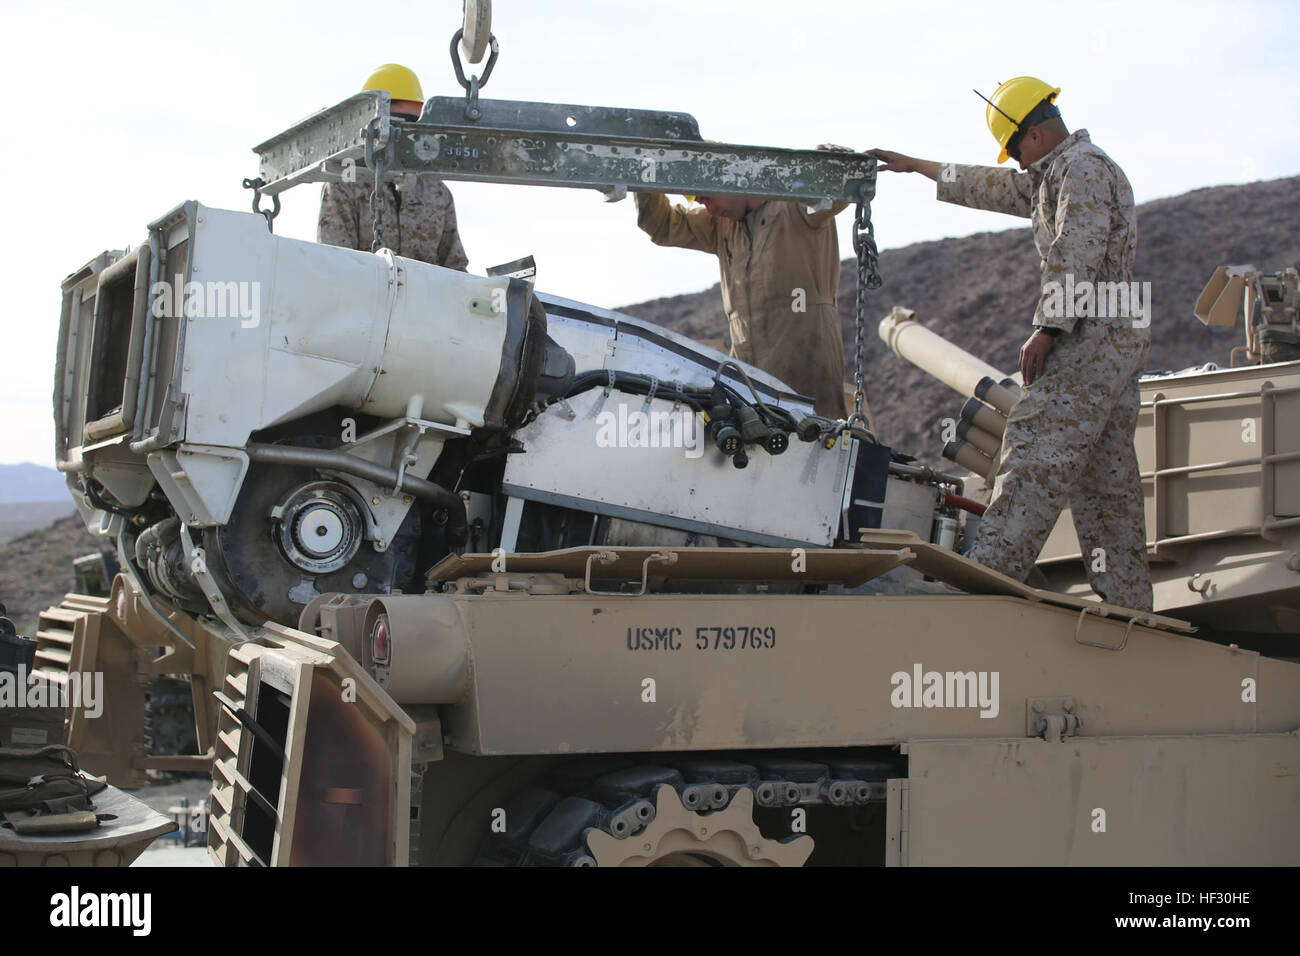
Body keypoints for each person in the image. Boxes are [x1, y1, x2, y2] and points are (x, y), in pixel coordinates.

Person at [869, 77, 1153, 611]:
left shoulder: (1083, 169)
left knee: (1033, 453)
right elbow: (989, 187)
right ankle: (1129, 608)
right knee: (1105, 483)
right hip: (1113, 340)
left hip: (1091, 341)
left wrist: (1048, 328)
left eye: (1016, 148)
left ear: (1038, 134)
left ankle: (984, 588)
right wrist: (917, 166)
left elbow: (1079, 248)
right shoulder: (1056, 174)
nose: (1017, 162)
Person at [632, 160, 849, 418]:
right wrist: (644, 167)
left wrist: (831, 156)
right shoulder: (722, 226)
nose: (710, 209)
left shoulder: (797, 208)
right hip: (749, 382)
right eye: (702, 203)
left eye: (708, 198)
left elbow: (837, 187)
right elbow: (663, 225)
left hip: (808, 373)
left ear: (732, 179)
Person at [318, 64, 469, 271]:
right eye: (397, 123)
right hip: (362, 301)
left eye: (414, 124)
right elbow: (332, 265)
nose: (404, 134)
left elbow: (455, 270)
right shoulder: (345, 185)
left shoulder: (437, 192)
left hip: (421, 303)